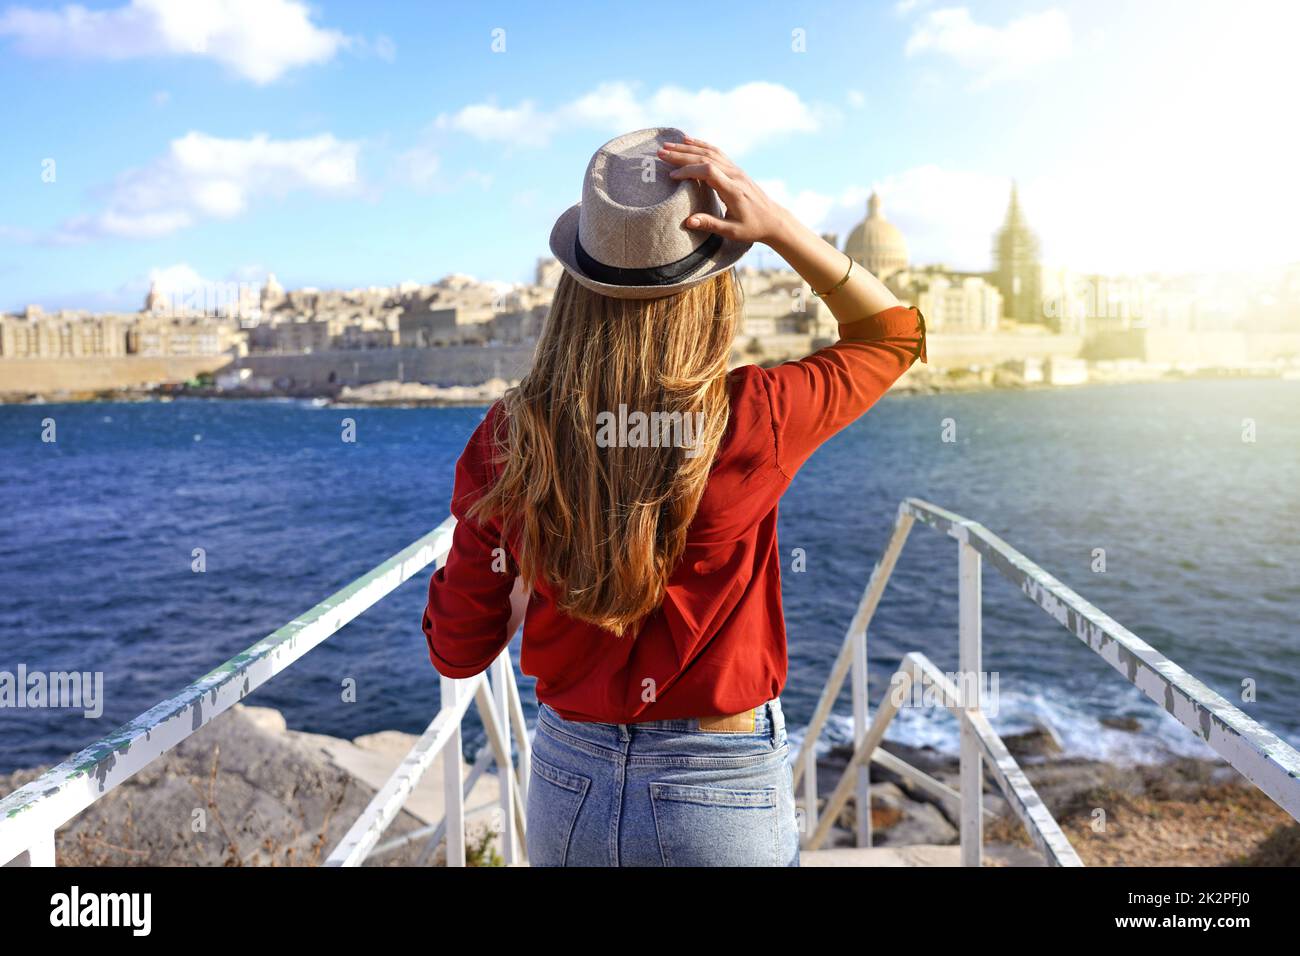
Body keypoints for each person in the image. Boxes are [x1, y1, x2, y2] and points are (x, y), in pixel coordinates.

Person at [422, 127, 926, 866]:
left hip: (571, 784)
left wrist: (525, 564)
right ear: (713, 291)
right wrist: (782, 226)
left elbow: (459, 652)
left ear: (573, 291)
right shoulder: (756, 417)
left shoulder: (509, 438)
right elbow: (892, 335)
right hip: (718, 789)